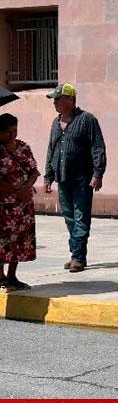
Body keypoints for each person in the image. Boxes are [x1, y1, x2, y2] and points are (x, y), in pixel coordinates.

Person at [43, 83, 106, 273]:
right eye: (54, 99)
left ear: (70, 99)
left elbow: (98, 147)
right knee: (69, 217)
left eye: (58, 99)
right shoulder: (56, 122)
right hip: (62, 177)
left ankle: (77, 256)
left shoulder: (87, 119)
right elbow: (51, 149)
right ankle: (77, 253)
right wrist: (48, 176)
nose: (55, 103)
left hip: (82, 178)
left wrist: (98, 173)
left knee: (80, 216)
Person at [0, 113, 38, 292]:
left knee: (20, 241)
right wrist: (16, 191)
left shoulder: (23, 147)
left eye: (15, 130)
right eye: (8, 132)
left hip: (23, 207)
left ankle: (12, 275)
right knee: (3, 241)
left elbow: (33, 171)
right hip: (4, 206)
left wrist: (26, 188)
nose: (12, 135)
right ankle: (0, 277)